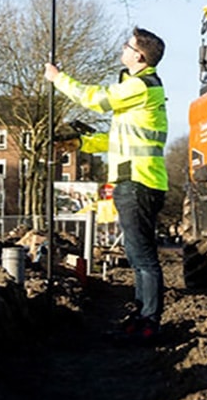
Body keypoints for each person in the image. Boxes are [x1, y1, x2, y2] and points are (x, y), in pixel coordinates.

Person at [45, 27, 168, 344]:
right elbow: (117, 140)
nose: (122, 50)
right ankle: (142, 315)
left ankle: (149, 321)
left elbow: (97, 99)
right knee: (135, 253)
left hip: (139, 181)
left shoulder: (142, 85)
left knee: (143, 258)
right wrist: (81, 142)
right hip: (135, 180)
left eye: (127, 46)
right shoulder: (138, 90)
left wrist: (59, 79)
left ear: (138, 56)